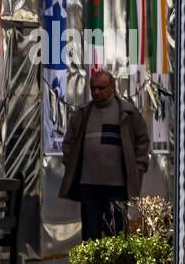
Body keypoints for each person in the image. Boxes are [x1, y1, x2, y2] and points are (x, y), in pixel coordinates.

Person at [59, 70, 150, 241]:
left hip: (117, 186)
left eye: (101, 88)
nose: (96, 92)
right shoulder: (83, 113)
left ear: (113, 88)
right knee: (90, 233)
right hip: (89, 185)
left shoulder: (127, 113)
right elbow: (69, 142)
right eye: (93, 88)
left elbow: (142, 142)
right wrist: (72, 164)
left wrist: (138, 169)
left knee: (115, 232)